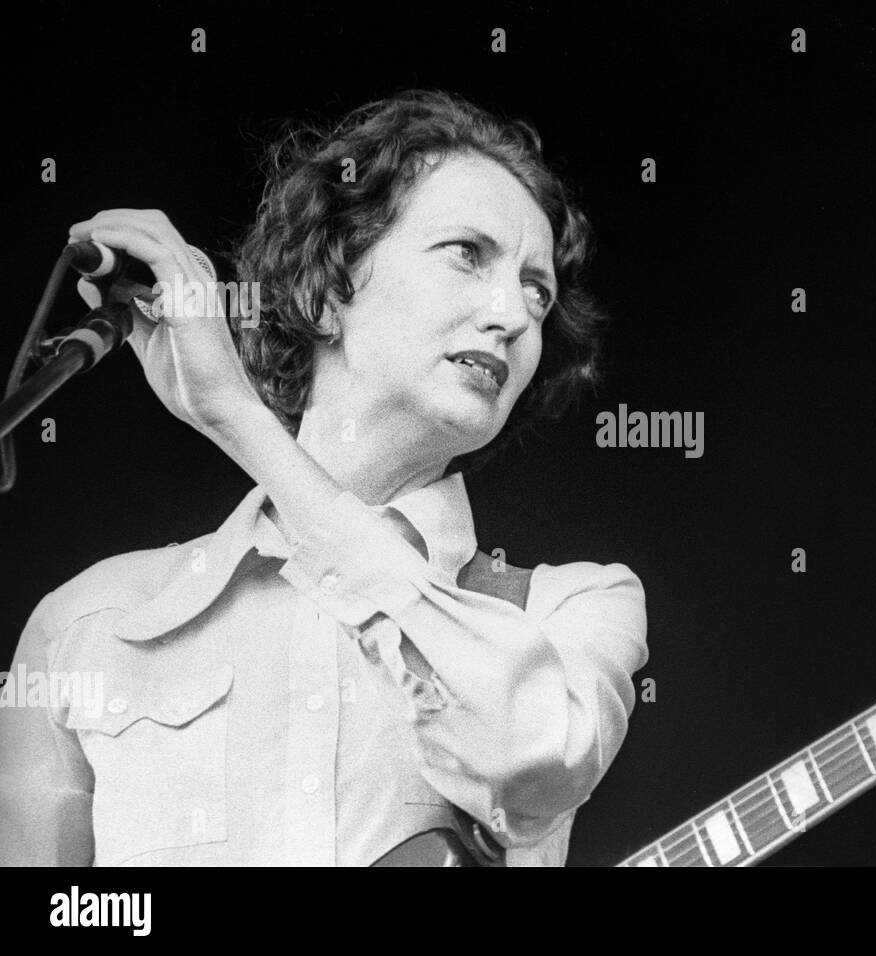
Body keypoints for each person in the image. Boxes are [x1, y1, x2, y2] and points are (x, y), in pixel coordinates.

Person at [0, 89, 648, 866]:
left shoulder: (576, 608)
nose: (513, 312)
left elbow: (531, 760)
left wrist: (236, 417)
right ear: (329, 287)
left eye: (538, 291)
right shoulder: (85, 626)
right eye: (467, 254)